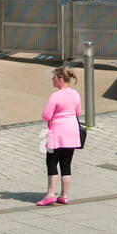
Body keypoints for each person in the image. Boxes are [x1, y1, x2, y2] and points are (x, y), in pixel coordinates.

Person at [38, 67, 81, 205]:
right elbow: (77, 112)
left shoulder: (55, 96)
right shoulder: (75, 94)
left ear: (60, 80)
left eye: (54, 77)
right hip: (72, 134)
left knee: (51, 162)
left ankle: (50, 194)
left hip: (55, 135)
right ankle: (64, 195)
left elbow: (46, 115)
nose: (53, 79)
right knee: (66, 164)